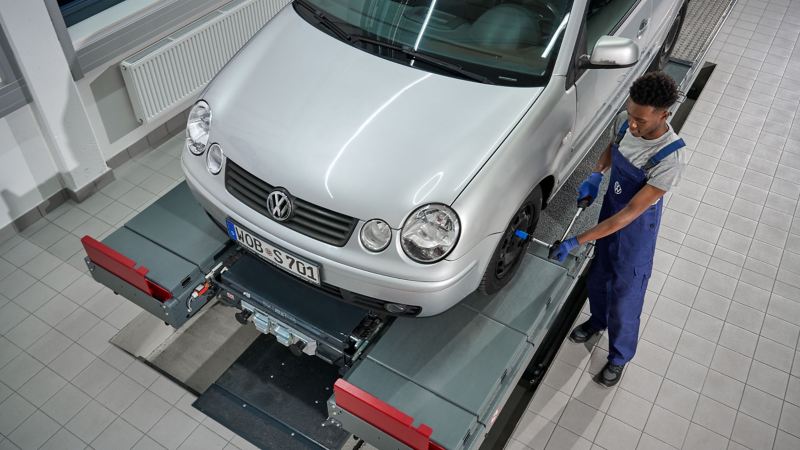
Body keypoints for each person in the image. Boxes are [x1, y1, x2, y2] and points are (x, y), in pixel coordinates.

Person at [549, 71, 686, 387]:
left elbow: (631, 214)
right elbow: (614, 147)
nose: (633, 124)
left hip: (635, 227)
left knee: (626, 295)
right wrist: (596, 174)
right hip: (611, 211)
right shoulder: (626, 121)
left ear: (664, 115)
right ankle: (597, 321)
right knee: (598, 277)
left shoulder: (670, 157)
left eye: (642, 120)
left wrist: (577, 240)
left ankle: (619, 356)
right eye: (631, 115)